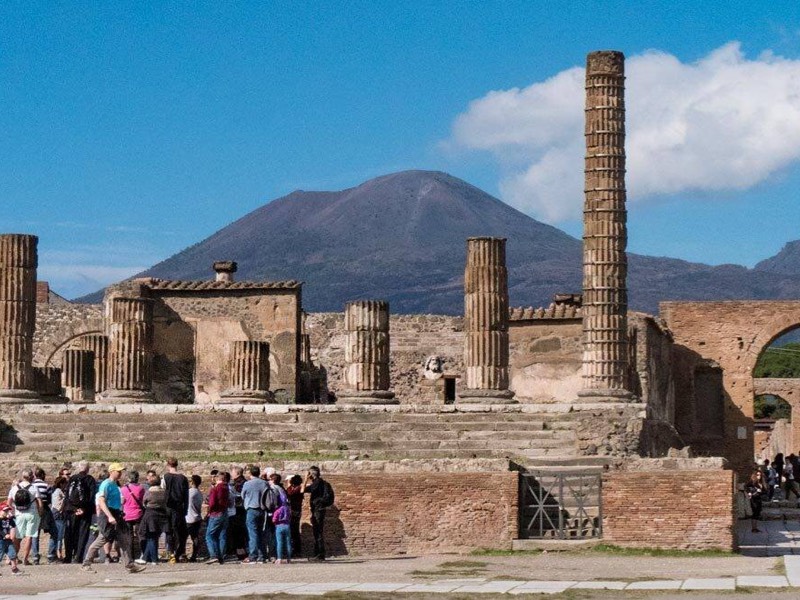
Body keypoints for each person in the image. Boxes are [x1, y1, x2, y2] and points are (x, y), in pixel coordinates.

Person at [81, 463, 144, 573]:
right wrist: (109, 516)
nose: (120, 473)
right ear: (112, 472)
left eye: (121, 471)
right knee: (102, 539)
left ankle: (129, 565)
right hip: (108, 515)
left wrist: (120, 503)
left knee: (124, 539)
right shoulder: (106, 484)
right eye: (118, 471)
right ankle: (86, 563)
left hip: (117, 514)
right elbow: (101, 501)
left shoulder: (115, 485)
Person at [8, 468, 42, 566]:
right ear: (31, 476)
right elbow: (39, 503)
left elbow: (9, 503)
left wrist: (12, 513)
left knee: (18, 538)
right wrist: (40, 513)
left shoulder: (14, 488)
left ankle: (13, 558)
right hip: (32, 514)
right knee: (29, 537)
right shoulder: (34, 488)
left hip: (19, 515)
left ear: (22, 477)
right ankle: (25, 559)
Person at [64, 461, 96, 564]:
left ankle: (68, 556)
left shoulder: (72, 478)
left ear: (79, 468)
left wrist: (73, 509)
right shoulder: (90, 479)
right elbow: (91, 496)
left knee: (70, 533)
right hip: (85, 512)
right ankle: (79, 557)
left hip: (71, 511)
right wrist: (84, 508)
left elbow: (67, 495)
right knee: (83, 534)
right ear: (87, 469)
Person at [302, 466, 334, 561]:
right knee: (317, 532)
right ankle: (319, 554)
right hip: (319, 509)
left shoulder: (317, 483)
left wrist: (305, 479)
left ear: (311, 474)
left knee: (318, 532)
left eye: (309, 474)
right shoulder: (322, 483)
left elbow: (303, 490)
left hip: (318, 510)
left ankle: (320, 555)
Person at [162, 458, 190, 563]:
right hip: (179, 507)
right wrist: (185, 509)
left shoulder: (165, 477)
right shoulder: (183, 478)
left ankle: (170, 553)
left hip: (167, 506)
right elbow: (186, 496)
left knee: (169, 531)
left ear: (168, 465)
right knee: (179, 531)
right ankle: (179, 553)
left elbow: (162, 492)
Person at [139, 471, 169, 565]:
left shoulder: (150, 491)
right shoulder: (164, 492)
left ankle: (154, 559)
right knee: (155, 537)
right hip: (162, 515)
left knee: (150, 537)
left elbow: (144, 502)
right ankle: (145, 558)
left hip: (150, 514)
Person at [240, 465, 268, 564]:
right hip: (262, 509)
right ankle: (262, 556)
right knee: (261, 533)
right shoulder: (264, 483)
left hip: (251, 509)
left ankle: (253, 556)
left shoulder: (247, 484)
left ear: (250, 473)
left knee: (252, 533)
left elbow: (242, 496)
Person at [205, 471, 230, 565]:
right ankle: (220, 557)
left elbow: (212, 503)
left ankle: (213, 555)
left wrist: (209, 512)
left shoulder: (215, 489)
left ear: (218, 478)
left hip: (215, 513)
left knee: (209, 535)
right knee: (218, 535)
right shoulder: (226, 488)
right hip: (224, 512)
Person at [121, 471, 145, 561]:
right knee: (140, 535)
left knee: (129, 536)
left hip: (127, 514)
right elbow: (143, 500)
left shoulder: (123, 489)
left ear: (129, 478)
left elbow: (122, 502)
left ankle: (130, 557)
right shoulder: (141, 488)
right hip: (138, 513)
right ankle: (143, 554)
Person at [30, 467, 50, 565]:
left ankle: (35, 557)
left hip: (34, 509)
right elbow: (49, 498)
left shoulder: (32, 485)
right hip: (45, 509)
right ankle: (51, 555)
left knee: (35, 534)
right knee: (54, 532)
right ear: (42, 475)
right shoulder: (46, 485)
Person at [270, 474, 291, 564]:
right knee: (288, 542)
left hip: (279, 526)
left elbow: (274, 519)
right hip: (287, 525)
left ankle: (279, 557)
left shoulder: (277, 510)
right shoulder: (287, 508)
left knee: (279, 542)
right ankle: (289, 558)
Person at [46, 476, 68, 564]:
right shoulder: (58, 492)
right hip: (58, 515)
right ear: (61, 484)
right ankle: (52, 555)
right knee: (57, 536)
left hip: (56, 514)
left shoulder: (55, 491)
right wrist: (65, 499)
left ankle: (54, 554)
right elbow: (59, 506)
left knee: (57, 536)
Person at [228, 466, 247, 561]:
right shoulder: (238, 482)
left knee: (238, 532)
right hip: (239, 510)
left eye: (233, 472)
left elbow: (239, 496)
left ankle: (241, 552)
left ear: (237, 473)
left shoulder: (240, 483)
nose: (231, 474)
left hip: (239, 510)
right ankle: (239, 551)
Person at [185, 475, 203, 562]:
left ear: (192, 482)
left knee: (183, 538)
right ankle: (194, 555)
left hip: (189, 517)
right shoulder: (199, 493)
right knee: (195, 537)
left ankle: (182, 554)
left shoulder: (189, 492)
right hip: (197, 517)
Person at [286, 475, 304, 559]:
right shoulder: (295, 488)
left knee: (294, 532)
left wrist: (289, 484)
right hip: (294, 512)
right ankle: (294, 550)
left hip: (295, 512)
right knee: (293, 531)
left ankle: (296, 551)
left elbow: (289, 493)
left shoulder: (298, 489)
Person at [0, 502, 21, 575]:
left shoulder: (9, 519)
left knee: (13, 553)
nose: (6, 512)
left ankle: (14, 569)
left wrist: (12, 518)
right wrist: (4, 535)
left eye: (7, 511)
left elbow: (13, 526)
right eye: (5, 511)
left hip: (9, 541)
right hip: (1, 540)